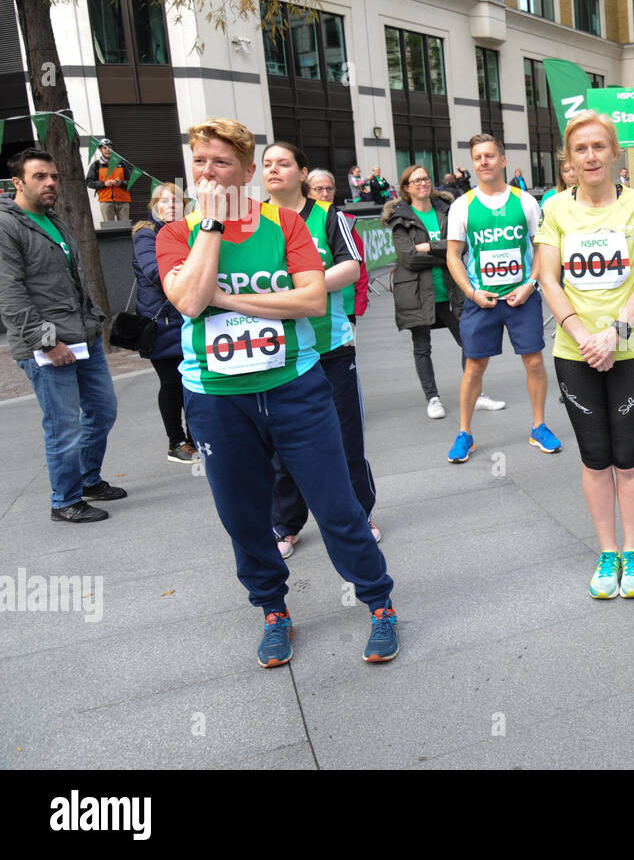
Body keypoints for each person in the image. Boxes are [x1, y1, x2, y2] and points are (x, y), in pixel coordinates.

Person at [157, 118, 397, 667]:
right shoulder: (178, 232)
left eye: (221, 163)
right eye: (200, 162)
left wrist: (231, 299)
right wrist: (213, 228)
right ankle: (272, 610)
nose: (209, 172)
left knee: (337, 505)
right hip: (217, 399)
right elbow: (190, 303)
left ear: (245, 171)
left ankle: (379, 604)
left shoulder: (286, 223)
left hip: (294, 387)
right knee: (243, 515)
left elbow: (312, 302)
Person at [535, 110, 634, 598]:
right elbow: (549, 277)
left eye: (599, 147)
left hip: (629, 348)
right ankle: (606, 551)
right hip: (574, 351)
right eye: (580, 149)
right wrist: (580, 333)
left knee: (628, 458)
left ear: (614, 153)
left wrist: (614, 333)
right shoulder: (555, 210)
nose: (591, 156)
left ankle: (633, 552)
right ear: (569, 159)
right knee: (595, 458)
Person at [260, 142, 380, 557]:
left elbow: (351, 266)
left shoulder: (329, 217)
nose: (273, 170)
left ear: (302, 172)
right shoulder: (255, 220)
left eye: (284, 163)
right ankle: (285, 524)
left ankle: (361, 514)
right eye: (267, 164)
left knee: (346, 438)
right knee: (281, 445)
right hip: (277, 351)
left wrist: (305, 286)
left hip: (329, 346)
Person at [0, 148, 124, 523]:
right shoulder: (7, 225)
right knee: (63, 423)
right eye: (40, 176)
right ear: (18, 182)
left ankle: (87, 479)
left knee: (102, 411)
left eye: (53, 176)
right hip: (47, 343)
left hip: (82, 334)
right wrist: (46, 342)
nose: (51, 182)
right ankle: (64, 500)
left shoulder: (55, 218)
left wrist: (94, 319)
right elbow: (10, 292)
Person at [444, 133, 560, 461]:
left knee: (534, 362)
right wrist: (471, 292)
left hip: (521, 297)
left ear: (503, 160)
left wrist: (531, 284)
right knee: (474, 366)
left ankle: (539, 426)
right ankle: (465, 433)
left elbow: (541, 248)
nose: (484, 162)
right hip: (482, 300)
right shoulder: (462, 205)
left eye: (490, 156)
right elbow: (453, 256)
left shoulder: (524, 201)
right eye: (478, 157)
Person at [384, 164, 505, 419]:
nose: (422, 183)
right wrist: (445, 253)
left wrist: (429, 247)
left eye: (425, 178)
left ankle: (476, 394)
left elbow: (460, 248)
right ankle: (433, 398)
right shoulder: (400, 218)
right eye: (416, 180)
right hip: (417, 292)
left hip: (452, 290)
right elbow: (408, 258)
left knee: (470, 342)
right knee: (422, 347)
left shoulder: (447, 210)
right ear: (406, 187)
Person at [131, 182, 197, 464]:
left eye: (176, 201)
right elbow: (156, 271)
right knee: (172, 384)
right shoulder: (146, 234)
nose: (170, 206)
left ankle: (197, 439)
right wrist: (193, 269)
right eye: (164, 201)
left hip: (187, 317)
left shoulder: (188, 231)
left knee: (193, 383)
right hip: (161, 323)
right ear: (154, 205)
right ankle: (176, 442)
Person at [307, 169, 370, 321]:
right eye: (319, 189)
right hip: (309, 304)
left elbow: (359, 264)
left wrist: (361, 297)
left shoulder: (346, 221)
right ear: (307, 192)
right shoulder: (296, 222)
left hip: (344, 306)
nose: (325, 193)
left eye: (329, 189)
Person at [85, 139, 130, 225]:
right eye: (104, 148)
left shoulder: (122, 164)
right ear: (100, 150)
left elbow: (131, 182)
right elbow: (89, 182)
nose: (107, 150)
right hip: (106, 201)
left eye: (109, 147)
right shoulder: (96, 165)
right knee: (110, 228)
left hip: (123, 201)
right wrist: (104, 184)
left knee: (125, 228)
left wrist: (121, 183)